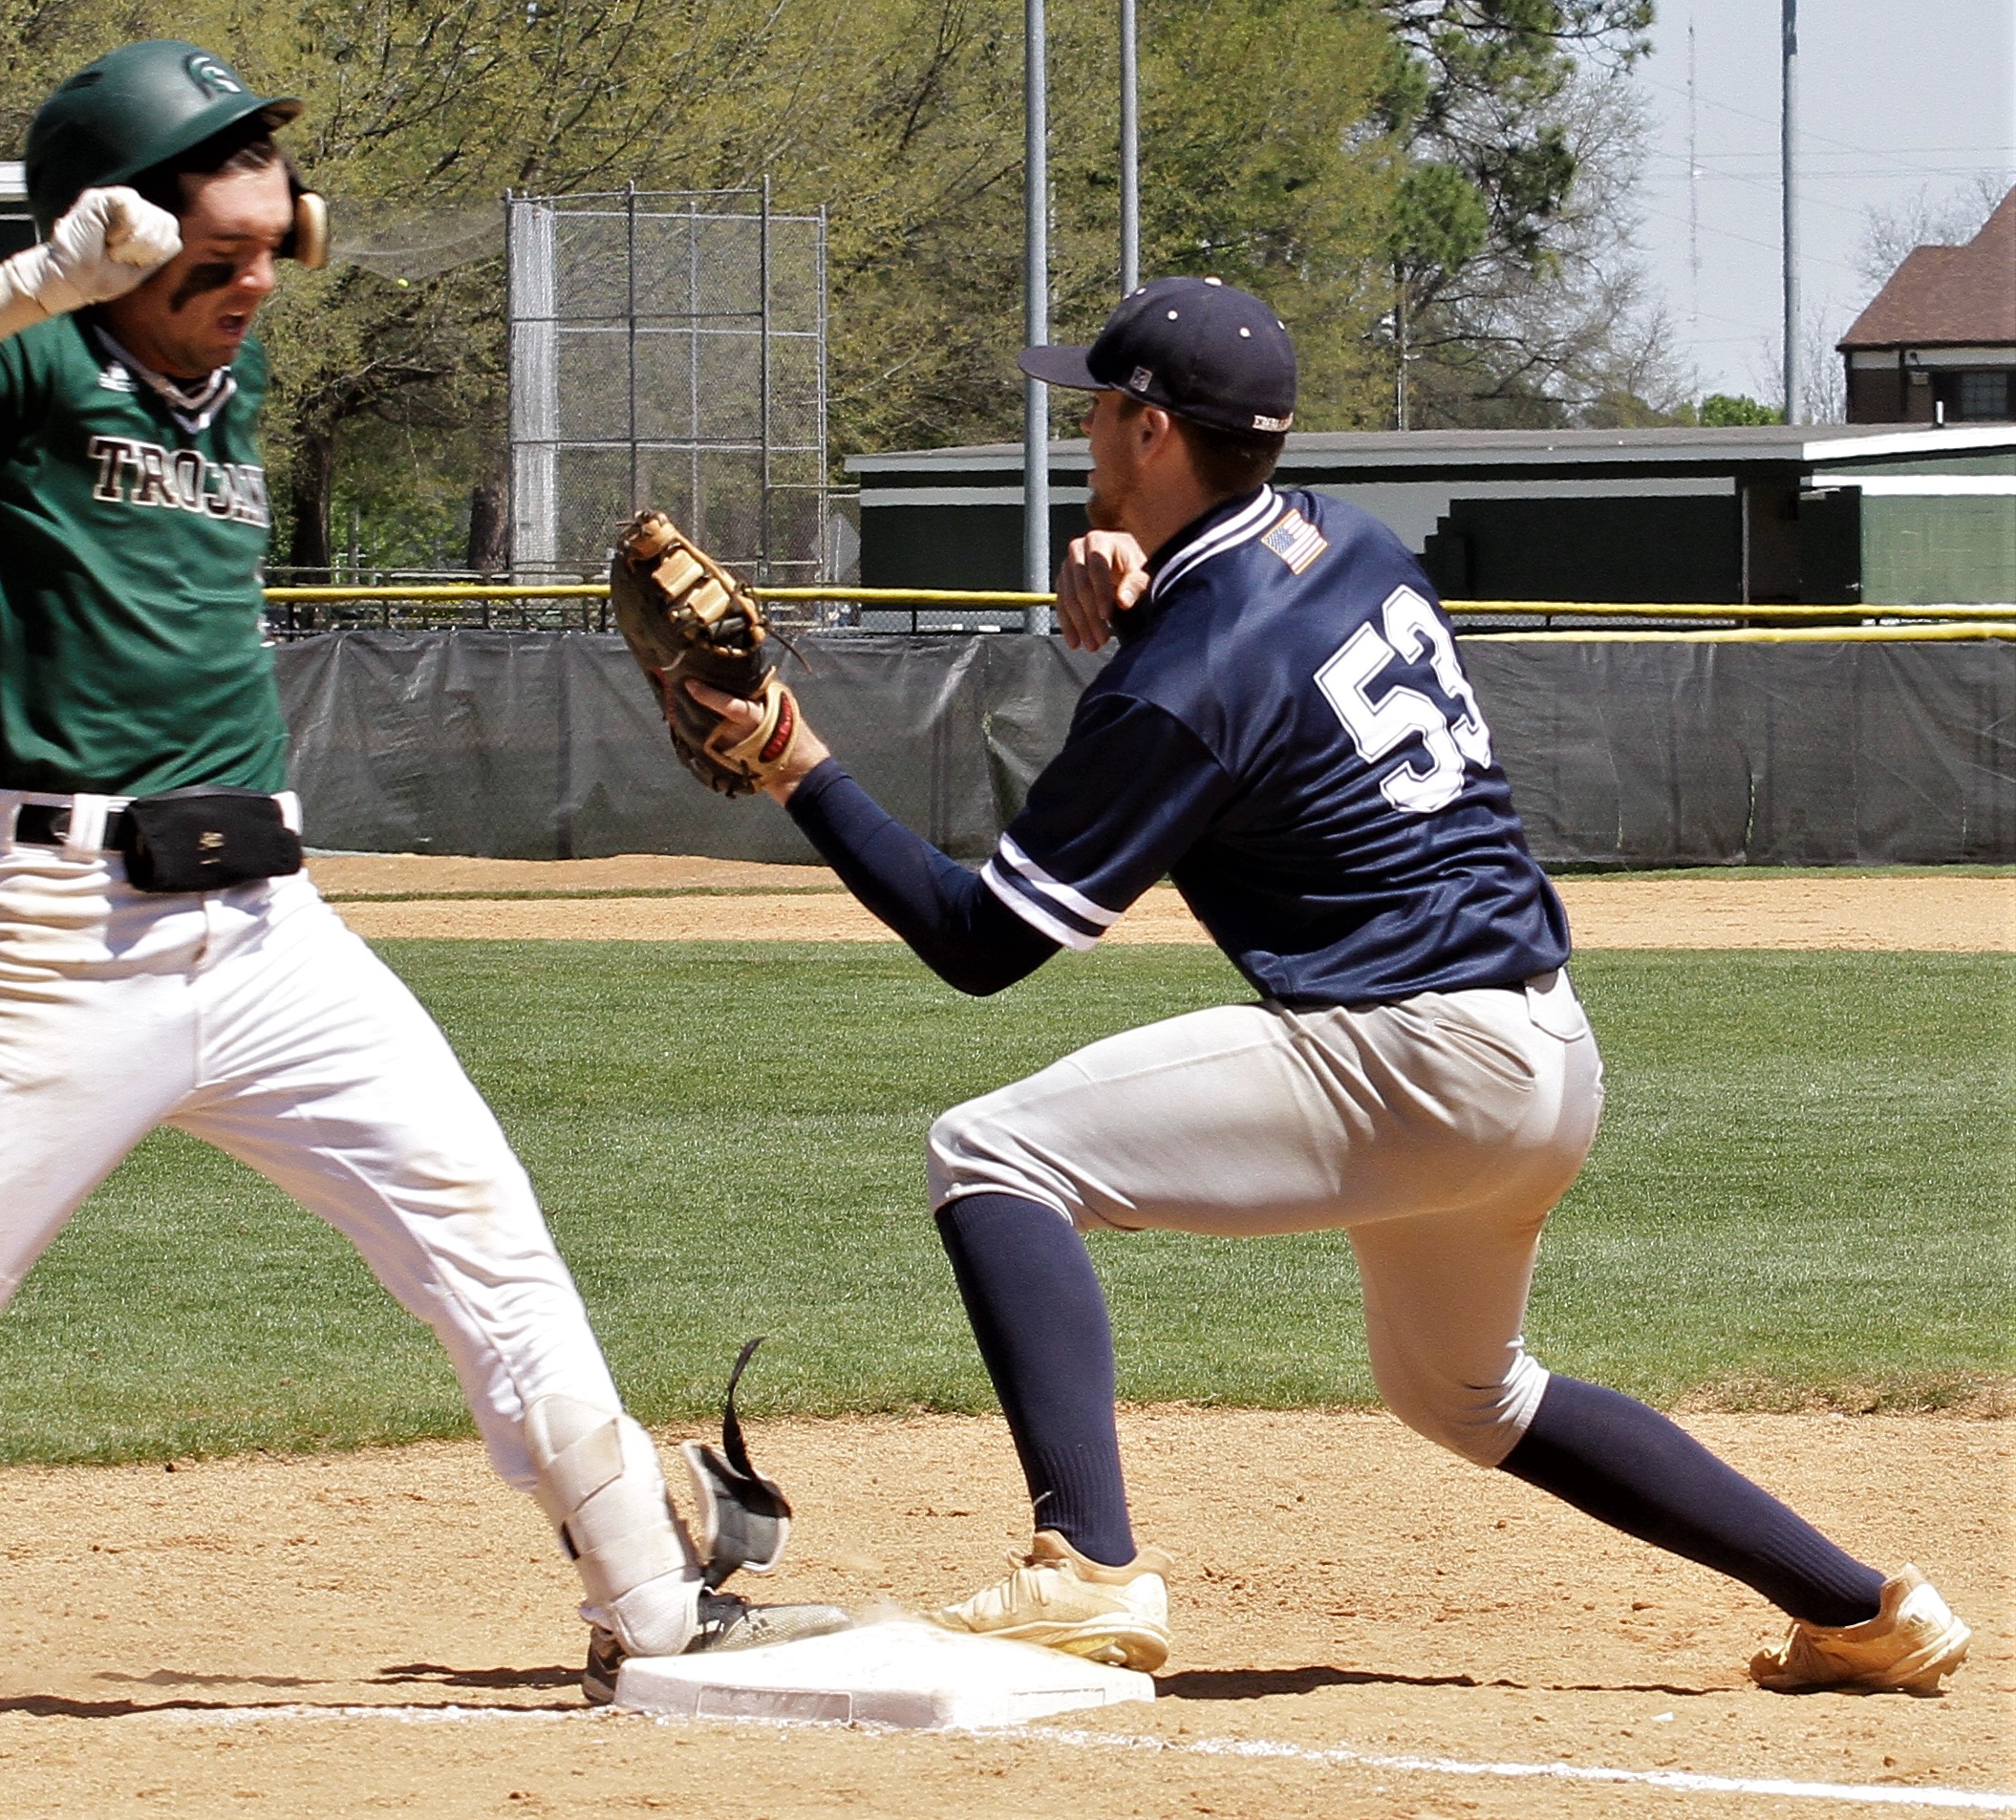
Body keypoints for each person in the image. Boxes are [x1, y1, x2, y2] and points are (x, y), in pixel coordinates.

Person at [0, 38, 841, 1701]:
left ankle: (649, 1601)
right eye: (216, 259)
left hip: (272, 931)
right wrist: (46, 275)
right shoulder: (31, 363)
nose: (256, 284)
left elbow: (85, 537)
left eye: (269, 249)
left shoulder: (221, 367)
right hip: (60, 938)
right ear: (110, 234)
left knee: (488, 1241)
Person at [676, 276, 1971, 1696]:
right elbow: (1257, 675)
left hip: (1411, 1054)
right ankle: (1865, 1608)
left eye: (1098, 408)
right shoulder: (1352, 541)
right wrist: (1135, 606)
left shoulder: (1185, 670)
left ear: (1152, 431)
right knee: (1466, 1395)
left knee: (989, 1154)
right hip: (1540, 1052)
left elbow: (985, 942)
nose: (1084, 432)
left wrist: (793, 765)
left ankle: (1085, 1567)